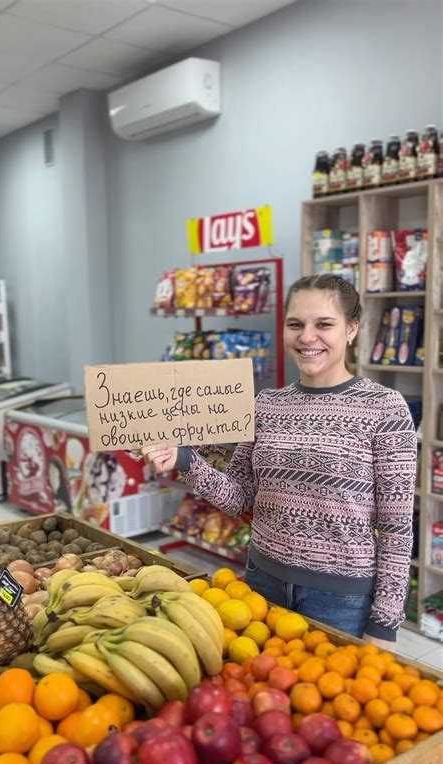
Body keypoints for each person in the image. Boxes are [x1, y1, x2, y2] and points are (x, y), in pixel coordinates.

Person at [142, 274, 417, 650]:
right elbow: (240, 498)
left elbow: (397, 529)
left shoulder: (385, 408)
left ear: (351, 329)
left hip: (341, 602)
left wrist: (384, 624)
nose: (307, 337)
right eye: (295, 324)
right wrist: (186, 460)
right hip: (261, 587)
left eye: (324, 324)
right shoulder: (266, 404)